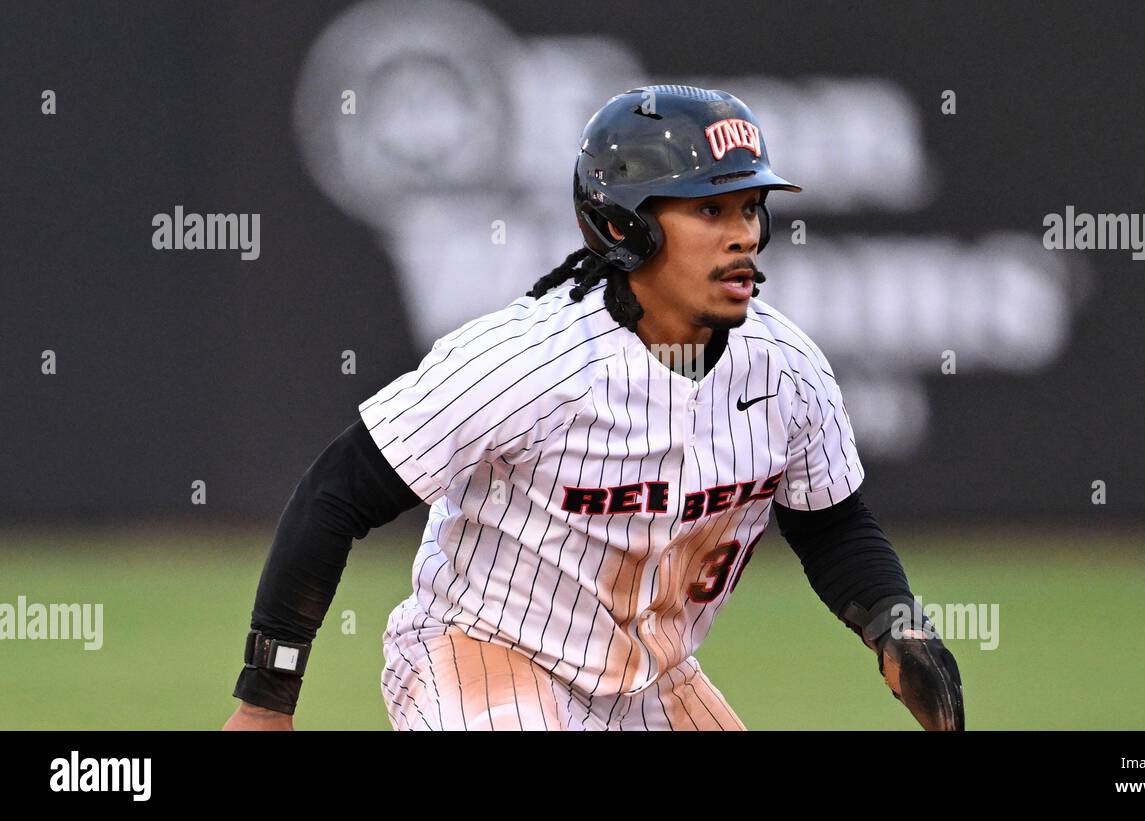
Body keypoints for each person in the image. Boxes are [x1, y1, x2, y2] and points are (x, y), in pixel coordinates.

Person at [223, 85, 963, 731]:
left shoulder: (788, 369)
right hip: (482, 656)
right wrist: (267, 697)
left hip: (654, 683)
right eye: (710, 207)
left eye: (749, 206)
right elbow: (335, 492)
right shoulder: (528, 361)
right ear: (622, 225)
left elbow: (831, 522)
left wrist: (895, 620)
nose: (743, 233)